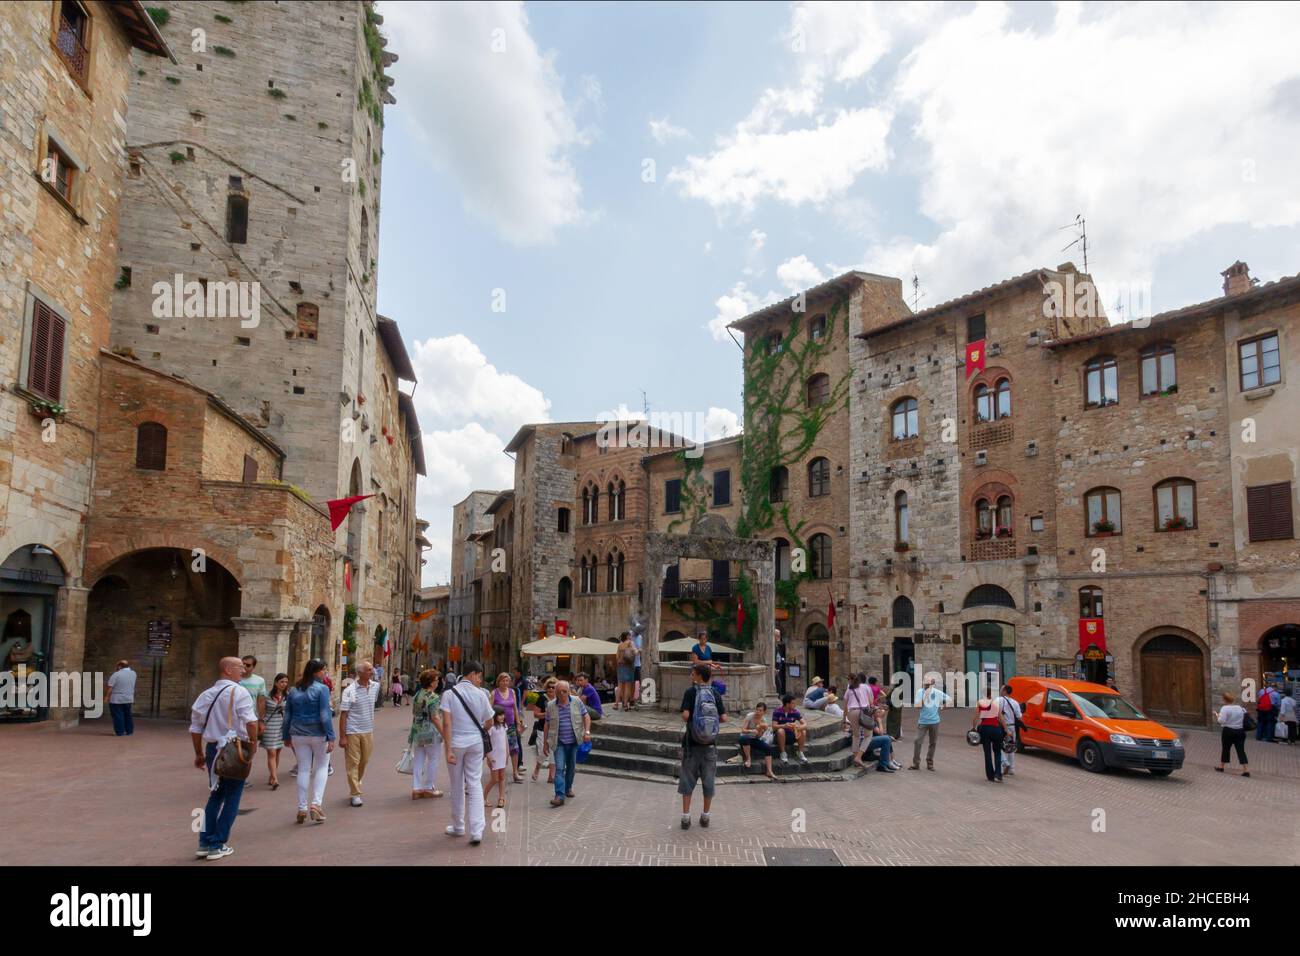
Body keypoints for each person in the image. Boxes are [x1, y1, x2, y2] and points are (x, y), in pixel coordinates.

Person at [188, 656, 259, 861]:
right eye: (239, 667)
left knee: (215, 794)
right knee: (233, 795)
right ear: (228, 670)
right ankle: (217, 844)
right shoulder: (239, 692)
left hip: (213, 749)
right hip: (234, 749)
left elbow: (195, 728)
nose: (243, 671)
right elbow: (251, 722)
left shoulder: (206, 694)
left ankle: (204, 842)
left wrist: (198, 753)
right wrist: (252, 745)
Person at [442, 660, 495, 844]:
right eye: (479, 677)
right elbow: (490, 722)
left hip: (456, 741)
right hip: (475, 742)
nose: (480, 681)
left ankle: (458, 826)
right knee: (474, 783)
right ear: (472, 674)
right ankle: (477, 830)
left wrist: (448, 748)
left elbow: (447, 723)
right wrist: (479, 728)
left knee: (456, 784)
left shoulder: (448, 694)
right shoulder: (481, 695)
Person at [283, 658, 335, 824]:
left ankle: (302, 806)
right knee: (321, 767)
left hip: (298, 733)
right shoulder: (322, 689)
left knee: (304, 769)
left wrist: (286, 735)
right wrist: (331, 735)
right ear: (316, 672)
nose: (324, 672)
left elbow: (287, 715)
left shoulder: (294, 690)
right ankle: (316, 804)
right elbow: (325, 715)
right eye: (323, 670)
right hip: (318, 733)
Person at [678, 662, 726, 829]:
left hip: (691, 743)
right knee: (708, 781)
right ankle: (705, 816)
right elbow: (724, 718)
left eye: (693, 673)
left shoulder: (690, 692)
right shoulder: (715, 693)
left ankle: (685, 817)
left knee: (687, 780)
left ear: (699, 676)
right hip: (710, 745)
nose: (691, 675)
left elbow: (685, 716)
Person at [339, 660, 380, 807]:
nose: (372, 672)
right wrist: (343, 736)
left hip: (368, 730)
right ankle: (355, 793)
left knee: (364, 761)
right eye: (369, 670)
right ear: (360, 673)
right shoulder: (350, 690)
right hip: (353, 731)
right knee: (353, 762)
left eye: (372, 669)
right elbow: (344, 714)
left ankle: (356, 782)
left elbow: (371, 704)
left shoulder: (375, 687)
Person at [544, 680, 591, 807]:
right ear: (556, 692)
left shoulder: (576, 701)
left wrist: (587, 731)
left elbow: (586, 716)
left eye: (564, 691)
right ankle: (559, 795)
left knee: (571, 768)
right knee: (559, 768)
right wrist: (545, 743)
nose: (562, 694)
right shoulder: (550, 705)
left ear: (569, 691)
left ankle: (568, 788)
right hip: (558, 742)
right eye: (559, 691)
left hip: (574, 741)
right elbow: (547, 724)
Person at [407, 668, 444, 799]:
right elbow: (435, 717)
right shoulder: (433, 697)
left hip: (417, 729)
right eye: (436, 680)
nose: (438, 682)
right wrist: (444, 733)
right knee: (433, 758)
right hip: (430, 731)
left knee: (419, 759)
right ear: (431, 682)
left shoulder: (418, 694)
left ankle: (416, 788)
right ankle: (428, 787)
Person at [490, 672, 525, 783]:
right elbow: (489, 709)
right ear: (498, 681)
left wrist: (518, 723)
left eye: (507, 681)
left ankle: (515, 772)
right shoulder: (494, 693)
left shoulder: (512, 692)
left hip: (510, 725)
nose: (505, 683)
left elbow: (515, 708)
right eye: (503, 681)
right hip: (498, 726)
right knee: (498, 749)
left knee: (514, 749)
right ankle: (498, 773)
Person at [910, 676, 950, 771]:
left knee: (933, 743)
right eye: (925, 684)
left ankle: (930, 763)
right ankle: (916, 764)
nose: (926, 686)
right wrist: (925, 697)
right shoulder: (920, 692)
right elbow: (917, 706)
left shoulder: (937, 692)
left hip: (935, 722)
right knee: (917, 741)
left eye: (929, 685)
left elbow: (950, 699)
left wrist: (943, 707)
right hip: (923, 722)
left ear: (932, 684)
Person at [971, 695, 1008, 782]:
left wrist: (973, 727)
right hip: (996, 729)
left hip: (985, 729)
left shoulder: (980, 703)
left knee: (987, 753)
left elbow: (976, 717)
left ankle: (990, 776)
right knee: (997, 752)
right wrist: (1006, 730)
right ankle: (998, 774)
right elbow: (1001, 718)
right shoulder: (995, 704)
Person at [737, 700, 777, 780]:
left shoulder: (763, 721)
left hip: (754, 739)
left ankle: (769, 770)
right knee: (744, 738)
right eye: (757, 710)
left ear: (764, 712)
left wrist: (760, 730)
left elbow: (759, 736)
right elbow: (743, 730)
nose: (758, 712)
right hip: (746, 736)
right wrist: (751, 731)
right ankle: (748, 758)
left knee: (768, 748)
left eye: (760, 710)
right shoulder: (750, 716)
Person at [262, 673, 289, 789]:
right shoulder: (267, 695)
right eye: (282, 681)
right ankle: (275, 778)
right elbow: (262, 711)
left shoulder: (287, 696)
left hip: (281, 726)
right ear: (276, 682)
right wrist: (261, 723)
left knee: (277, 752)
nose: (284, 684)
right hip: (269, 726)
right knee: (271, 752)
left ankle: (272, 776)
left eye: (286, 682)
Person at [530, 677, 558, 783]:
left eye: (553, 687)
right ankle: (537, 768)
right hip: (542, 729)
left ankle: (551, 776)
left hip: (555, 730)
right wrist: (547, 714)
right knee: (543, 752)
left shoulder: (559, 699)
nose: (551, 689)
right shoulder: (542, 698)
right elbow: (535, 714)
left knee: (553, 752)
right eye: (549, 687)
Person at [483, 707, 511, 810]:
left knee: (502, 777)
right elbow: (487, 742)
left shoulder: (504, 726)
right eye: (499, 715)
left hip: (502, 755)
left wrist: (507, 753)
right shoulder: (491, 728)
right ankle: (484, 797)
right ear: (494, 716)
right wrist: (489, 756)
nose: (502, 716)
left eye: (503, 714)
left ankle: (501, 798)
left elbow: (505, 740)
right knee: (494, 779)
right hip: (494, 757)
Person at [1215, 692, 1249, 776]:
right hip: (1240, 731)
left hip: (1228, 731)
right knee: (1241, 750)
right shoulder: (1240, 708)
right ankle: (1246, 770)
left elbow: (1221, 721)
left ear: (1224, 700)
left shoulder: (1225, 708)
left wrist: (1216, 715)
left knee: (1226, 748)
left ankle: (1221, 766)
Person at [844, 675, 874, 767]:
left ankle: (856, 757)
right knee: (868, 735)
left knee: (856, 735)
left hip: (852, 712)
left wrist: (844, 720)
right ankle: (859, 757)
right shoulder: (866, 687)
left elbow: (845, 706)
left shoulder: (849, 689)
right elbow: (871, 702)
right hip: (863, 712)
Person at [771, 694, 809, 764]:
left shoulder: (795, 712)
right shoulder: (777, 711)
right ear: (787, 704)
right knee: (780, 730)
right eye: (793, 703)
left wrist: (798, 727)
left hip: (792, 735)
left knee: (803, 730)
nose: (795, 705)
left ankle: (800, 752)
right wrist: (784, 726)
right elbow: (774, 726)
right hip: (779, 737)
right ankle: (783, 753)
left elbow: (805, 724)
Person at [862, 702, 898, 772]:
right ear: (873, 714)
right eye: (878, 713)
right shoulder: (871, 721)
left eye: (880, 712)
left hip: (868, 745)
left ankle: (891, 760)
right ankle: (883, 765)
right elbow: (880, 733)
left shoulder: (872, 720)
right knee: (886, 739)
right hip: (865, 745)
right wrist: (880, 721)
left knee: (887, 738)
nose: (880, 714)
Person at [106, 659, 137, 737]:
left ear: (119, 666)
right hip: (129, 698)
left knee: (118, 715)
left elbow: (110, 687)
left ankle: (119, 732)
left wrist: (106, 697)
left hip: (117, 698)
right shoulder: (133, 673)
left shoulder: (116, 674)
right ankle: (129, 731)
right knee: (128, 715)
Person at [997, 684, 1023, 777]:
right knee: (1011, 746)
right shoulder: (1015, 702)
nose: (1000, 690)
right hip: (1012, 727)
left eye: (1001, 689)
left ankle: (1004, 763)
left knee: (998, 745)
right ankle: (1011, 768)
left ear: (1004, 691)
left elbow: (995, 712)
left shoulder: (999, 700)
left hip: (1001, 726)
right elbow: (1019, 716)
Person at [239, 654, 267, 739]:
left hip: (251, 718)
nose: (244, 666)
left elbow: (261, 702)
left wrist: (261, 721)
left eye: (248, 665)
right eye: (242, 664)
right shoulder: (234, 679)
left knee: (250, 745)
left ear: (253, 667)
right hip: (235, 718)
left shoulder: (259, 681)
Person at [614, 631, 637, 711]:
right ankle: (625, 704)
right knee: (628, 686)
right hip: (628, 666)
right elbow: (635, 652)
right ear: (627, 636)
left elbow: (616, 657)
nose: (631, 636)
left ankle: (616, 704)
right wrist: (639, 650)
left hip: (620, 666)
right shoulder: (630, 643)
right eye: (630, 635)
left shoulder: (620, 645)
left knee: (620, 686)